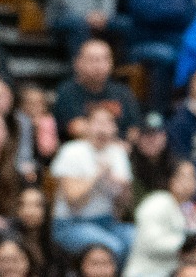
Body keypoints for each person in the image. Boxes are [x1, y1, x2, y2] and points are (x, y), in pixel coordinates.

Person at [47, 105, 133, 261]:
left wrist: (123, 188)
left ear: (114, 128)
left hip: (107, 221)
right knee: (113, 248)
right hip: (70, 224)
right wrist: (97, 175)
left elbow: (124, 205)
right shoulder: (71, 151)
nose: (102, 129)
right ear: (87, 126)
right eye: (98, 123)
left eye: (108, 123)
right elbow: (73, 200)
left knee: (134, 239)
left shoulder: (118, 152)